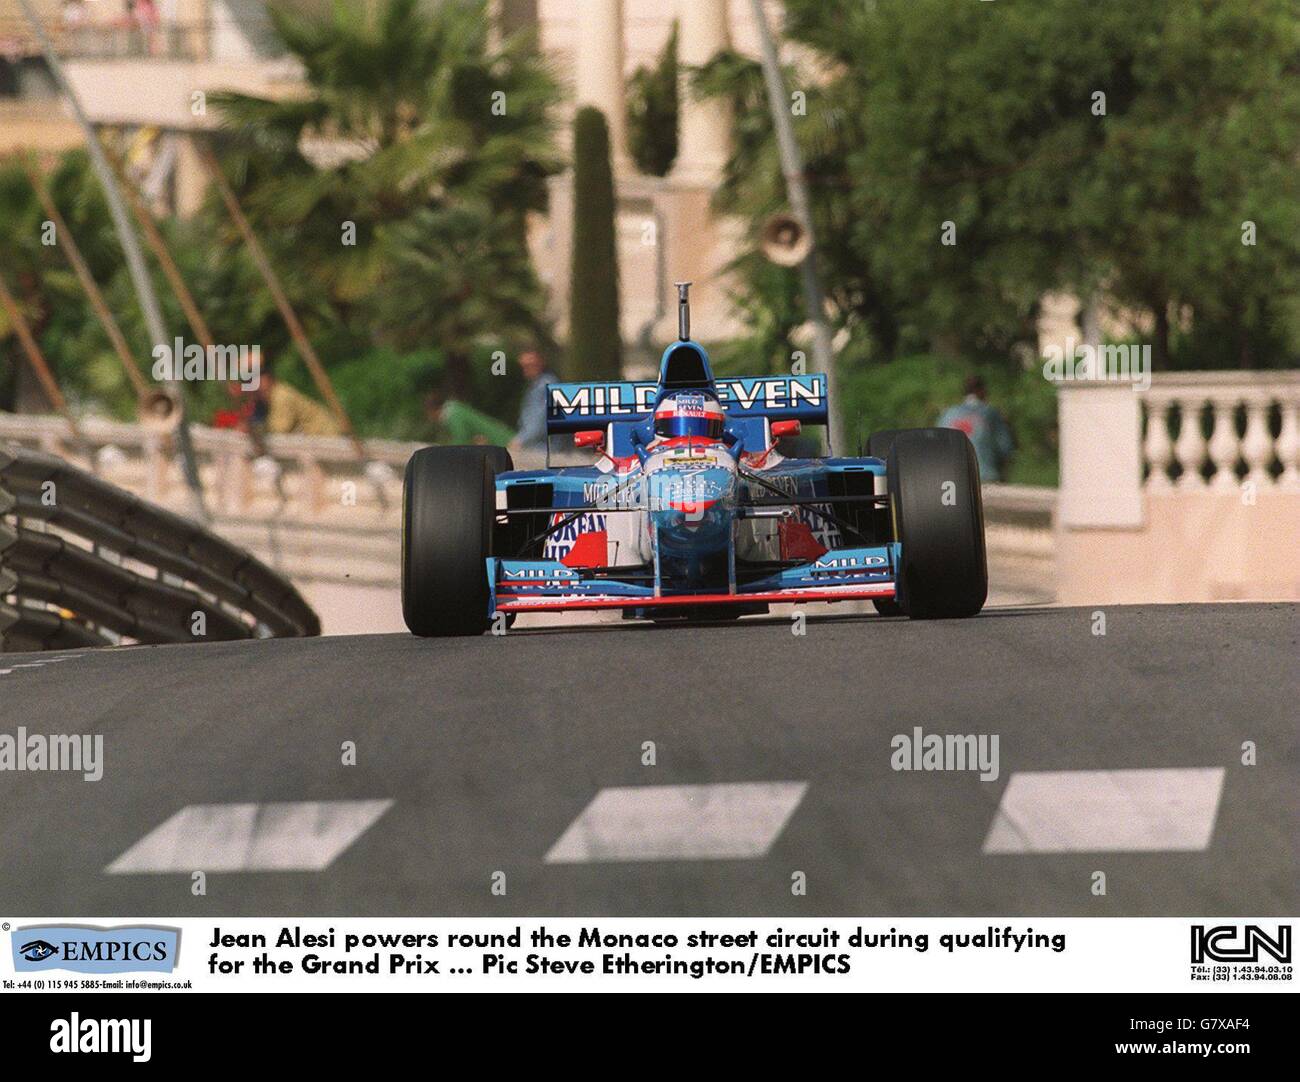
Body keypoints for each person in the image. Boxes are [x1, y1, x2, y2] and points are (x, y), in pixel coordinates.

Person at [936, 375, 1015, 482]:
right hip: (986, 476)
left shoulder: (948, 414)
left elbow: (938, 449)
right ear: (983, 391)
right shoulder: (990, 412)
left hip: (952, 479)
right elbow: (1005, 447)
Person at [240, 369, 342, 438]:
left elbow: (279, 430)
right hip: (316, 438)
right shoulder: (268, 398)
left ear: (269, 379)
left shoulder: (281, 395)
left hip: (326, 436)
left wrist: (252, 430)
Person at [423, 391, 514, 447]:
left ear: (433, 411)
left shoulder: (453, 415)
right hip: (504, 437)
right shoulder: (455, 409)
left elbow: (461, 439)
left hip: (504, 442)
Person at [512, 349, 556, 452]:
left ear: (541, 363)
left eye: (530, 365)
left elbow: (539, 421)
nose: (526, 369)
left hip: (542, 449)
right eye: (524, 366)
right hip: (537, 446)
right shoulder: (535, 385)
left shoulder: (544, 386)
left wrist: (520, 440)